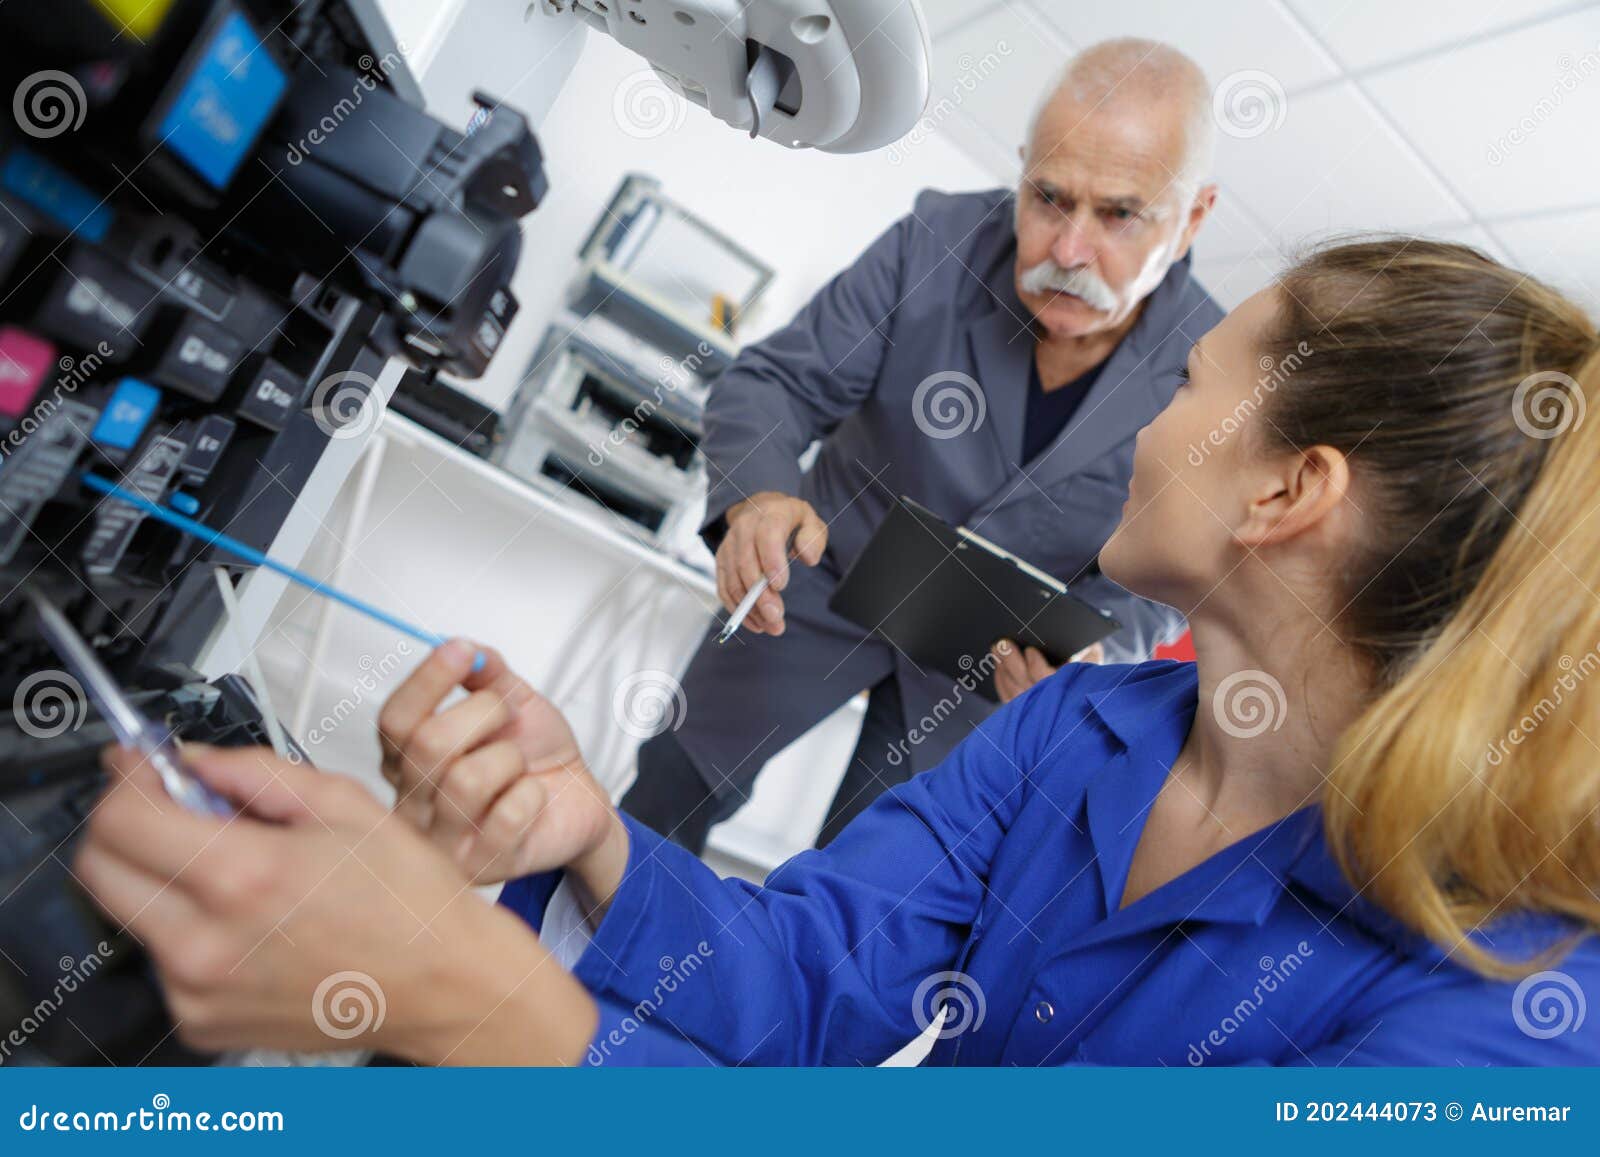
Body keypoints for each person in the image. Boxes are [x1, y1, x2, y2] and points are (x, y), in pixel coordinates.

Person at [78, 237, 1600, 1065]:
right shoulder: (1076, 737)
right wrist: (592, 838)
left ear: (1286, 494)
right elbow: (813, 982)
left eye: (1191, 385)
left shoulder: (1508, 1006)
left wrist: (480, 1009)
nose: (1149, 416)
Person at [622, 38, 1223, 853]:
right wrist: (755, 494)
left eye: (1119, 214)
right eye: (1047, 198)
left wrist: (1100, 652)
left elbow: (1174, 570)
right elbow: (772, 383)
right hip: (817, 575)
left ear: (1191, 219)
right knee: (666, 791)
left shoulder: (1215, 368)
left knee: (868, 889)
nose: (1069, 250)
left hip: (990, 667)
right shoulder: (933, 240)